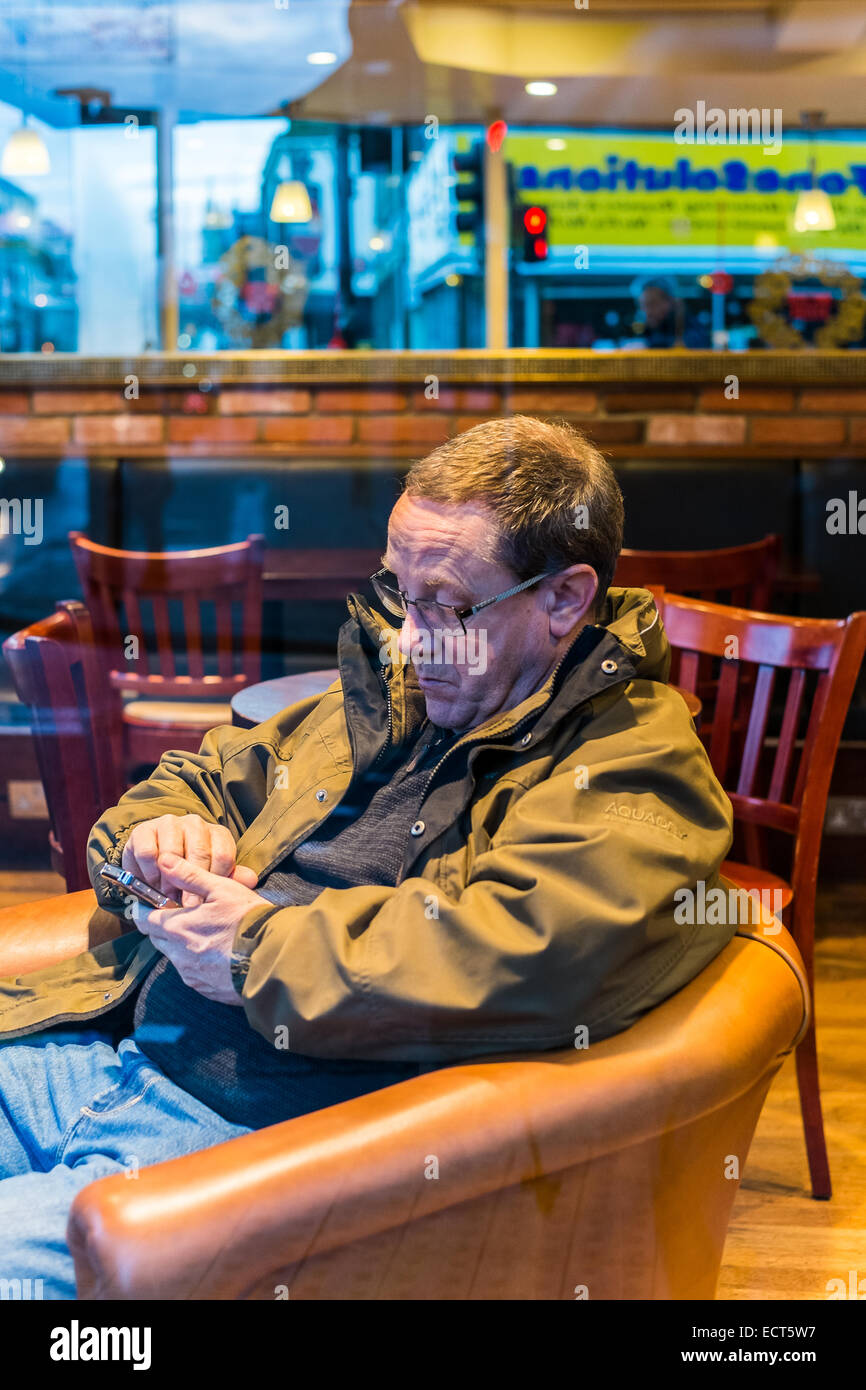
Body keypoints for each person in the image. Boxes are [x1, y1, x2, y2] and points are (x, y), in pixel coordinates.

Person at [0, 415, 736, 1298]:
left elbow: (516, 949)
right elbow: (192, 778)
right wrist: (150, 845)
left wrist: (252, 951)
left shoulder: (632, 766)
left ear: (565, 598)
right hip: (95, 1045)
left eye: (450, 605)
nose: (414, 637)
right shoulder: (392, 697)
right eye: (398, 592)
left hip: (234, 1141)